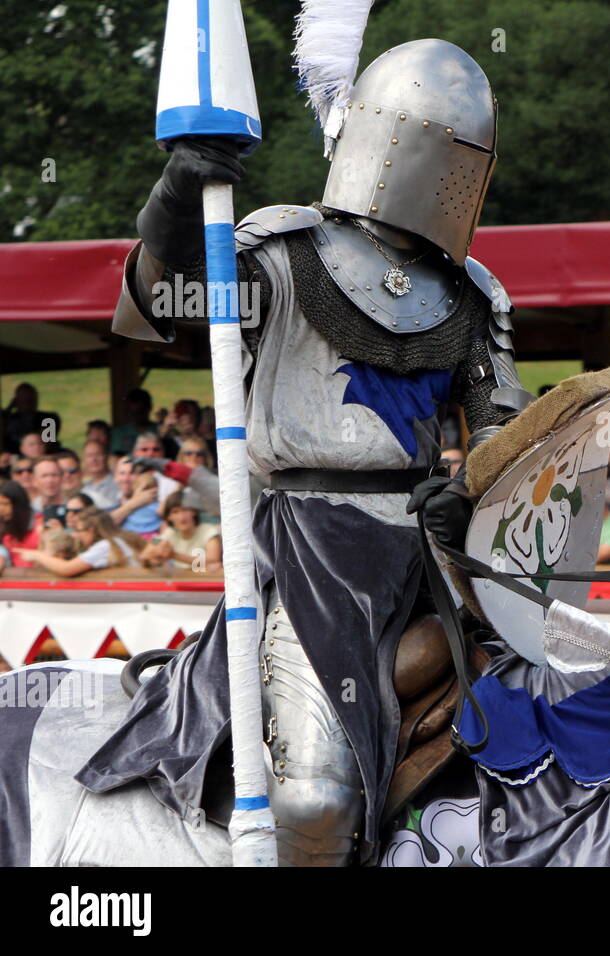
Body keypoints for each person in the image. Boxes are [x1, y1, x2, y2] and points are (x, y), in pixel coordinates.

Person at [77, 39, 534, 867]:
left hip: (438, 553)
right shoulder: (285, 256)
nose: (457, 176)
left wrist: (470, 486)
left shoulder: (471, 295)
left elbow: (506, 425)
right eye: (448, 152)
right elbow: (158, 304)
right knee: (315, 798)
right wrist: (178, 194)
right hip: (312, 553)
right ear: (386, 138)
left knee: (546, 735)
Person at [14, 506, 143, 577]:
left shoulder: (105, 546)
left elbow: (67, 568)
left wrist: (37, 555)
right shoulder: (121, 538)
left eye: (79, 530)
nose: (77, 535)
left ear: (91, 530)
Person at [142, 489, 223, 572]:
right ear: (169, 517)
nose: (182, 517)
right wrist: (152, 555)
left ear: (193, 511)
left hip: (204, 582)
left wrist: (174, 555)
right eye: (175, 512)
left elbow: (213, 561)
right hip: (181, 580)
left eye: (185, 510)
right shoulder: (169, 532)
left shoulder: (209, 531)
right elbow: (149, 548)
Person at [0, 481, 40, 570]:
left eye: (6, 504)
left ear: (19, 504)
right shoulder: (3, 526)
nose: (1, 509)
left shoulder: (39, 525)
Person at [79, 440, 119, 509]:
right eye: (89, 455)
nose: (94, 459)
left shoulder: (118, 483)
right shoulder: (83, 489)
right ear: (84, 460)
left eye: (98, 454)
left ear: (106, 457)